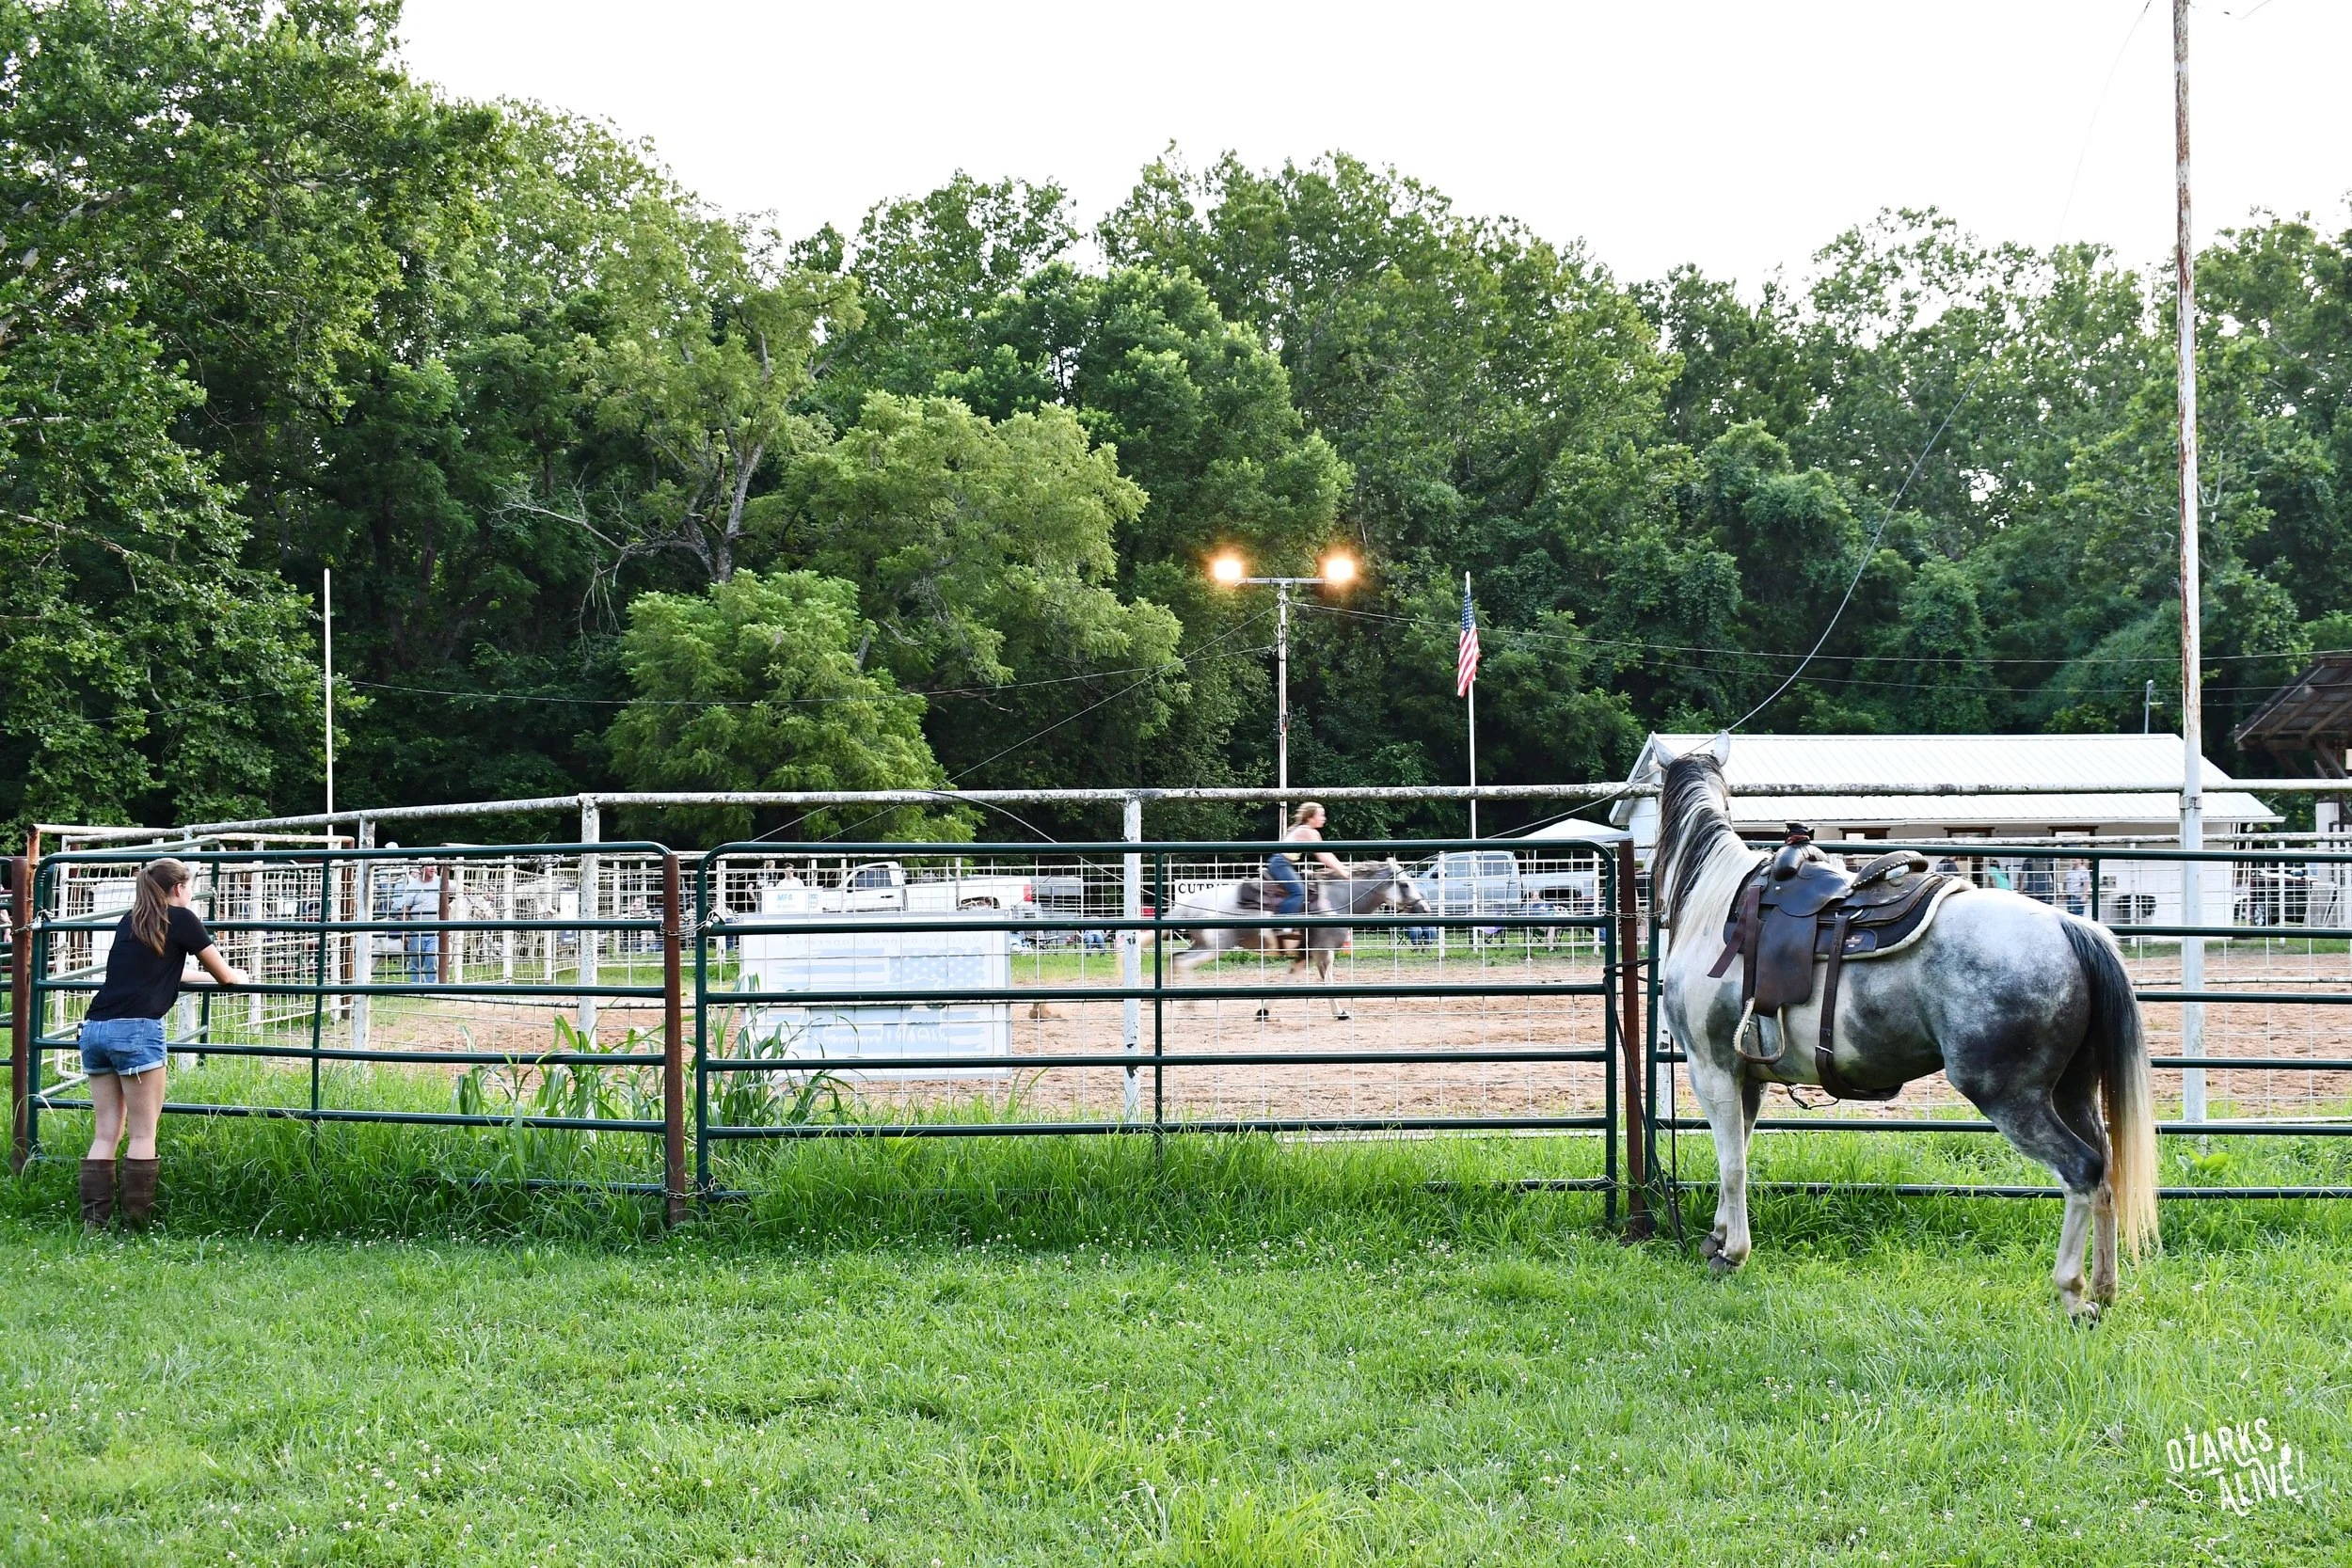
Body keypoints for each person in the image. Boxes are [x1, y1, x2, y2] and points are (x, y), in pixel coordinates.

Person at [78, 859, 246, 1230]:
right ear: (179, 888)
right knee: (143, 1132)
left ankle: (94, 1225)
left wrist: (201, 977)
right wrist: (237, 975)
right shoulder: (182, 918)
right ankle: (136, 1224)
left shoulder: (132, 920)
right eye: (190, 888)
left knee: (106, 1132)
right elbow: (225, 976)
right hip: (137, 1029)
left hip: (95, 1028)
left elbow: (162, 969)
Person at [1267, 802, 1346, 951]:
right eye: (1321, 815)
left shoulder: (1309, 831)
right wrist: (1342, 872)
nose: (1324, 819)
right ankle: (1281, 926)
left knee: (1301, 890)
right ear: (1310, 818)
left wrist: (1343, 869)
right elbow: (1322, 855)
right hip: (1280, 863)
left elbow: (1326, 853)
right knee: (1298, 892)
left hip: (1283, 863)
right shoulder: (1307, 831)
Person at [397, 860, 443, 984]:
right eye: (430, 865)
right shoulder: (412, 886)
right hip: (416, 931)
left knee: (432, 958)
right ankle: (416, 988)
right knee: (416, 962)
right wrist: (404, 930)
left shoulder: (441, 882)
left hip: (434, 930)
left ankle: (431, 987)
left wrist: (477, 891)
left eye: (434, 865)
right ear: (422, 868)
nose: (433, 868)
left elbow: (459, 887)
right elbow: (405, 909)